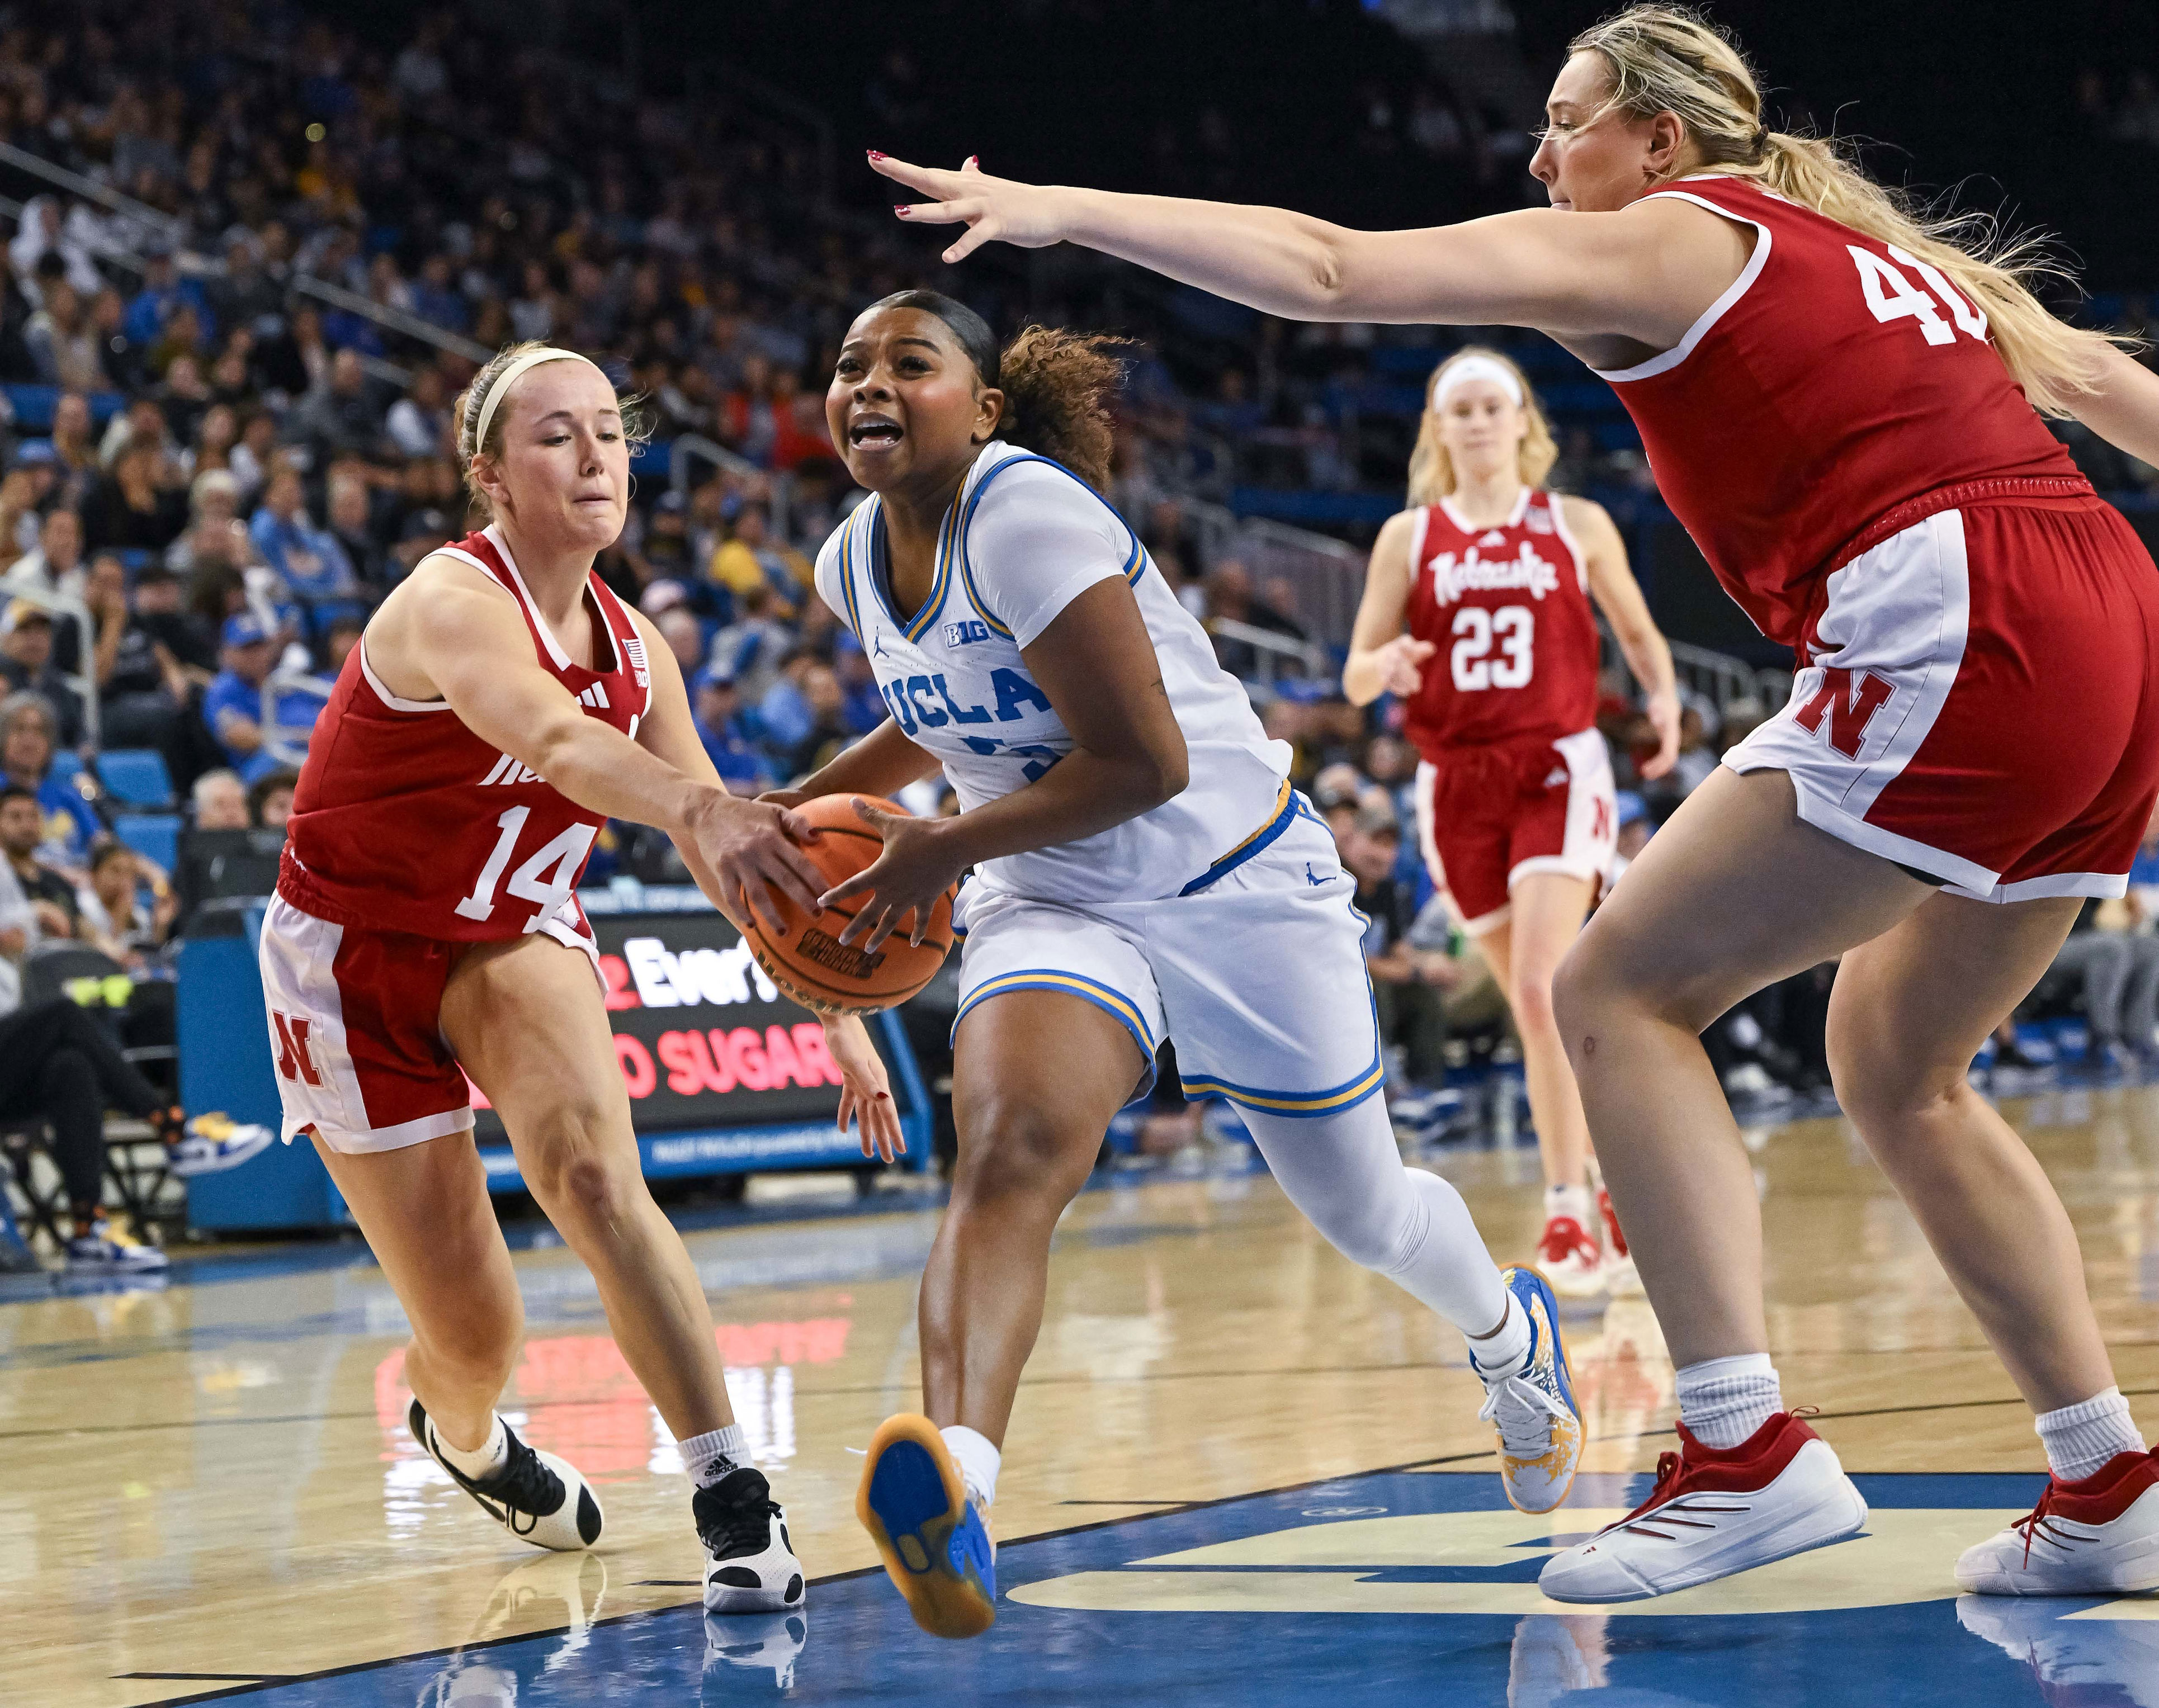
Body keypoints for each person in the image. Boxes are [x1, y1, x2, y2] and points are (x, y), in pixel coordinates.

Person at [863, 2, 2159, 1600]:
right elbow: (2102, 379)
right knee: (1894, 1062)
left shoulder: (1667, 241)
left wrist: (1062, 212)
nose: (1541, 155)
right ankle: (2105, 1479)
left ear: (1659, 143)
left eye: (1567, 123)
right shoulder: (1877, 257)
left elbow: (1330, 269)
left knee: (1611, 987)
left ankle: (1741, 1454)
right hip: (2104, 602)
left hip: (1958, 608)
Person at [779, 292, 1581, 1641]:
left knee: (1363, 1211)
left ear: (980, 409)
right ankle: (960, 1490)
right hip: (1052, 890)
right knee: (1009, 1149)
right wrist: (782, 813)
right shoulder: (851, 560)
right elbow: (933, 717)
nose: (867, 382)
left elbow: (1140, 763)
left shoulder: (1028, 517)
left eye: (907, 364)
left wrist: (932, 853)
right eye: (847, 361)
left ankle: (1508, 1338)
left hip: (1233, 882)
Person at [253, 339, 841, 1613]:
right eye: (555, 435)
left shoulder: (640, 648)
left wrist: (830, 1004)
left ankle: (731, 1489)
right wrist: (698, 803)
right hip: (349, 955)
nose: (593, 456)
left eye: (609, 433)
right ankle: (462, 1436)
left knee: (591, 1173)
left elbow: (716, 834)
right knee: (475, 1335)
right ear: (491, 475)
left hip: (512, 931)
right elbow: (555, 738)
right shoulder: (450, 600)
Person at [1344, 345, 1679, 1296]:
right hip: (1453, 783)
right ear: (1439, 430)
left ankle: (1568, 1206)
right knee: (1540, 1011)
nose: (1481, 423)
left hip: (1554, 767)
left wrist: (1658, 700)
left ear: (1523, 421)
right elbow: (1355, 671)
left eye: (1496, 406)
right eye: (1464, 410)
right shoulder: (1408, 539)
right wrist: (1390, 667)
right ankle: (1606, 1183)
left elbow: (1636, 628)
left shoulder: (1572, 521)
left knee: (1541, 990)